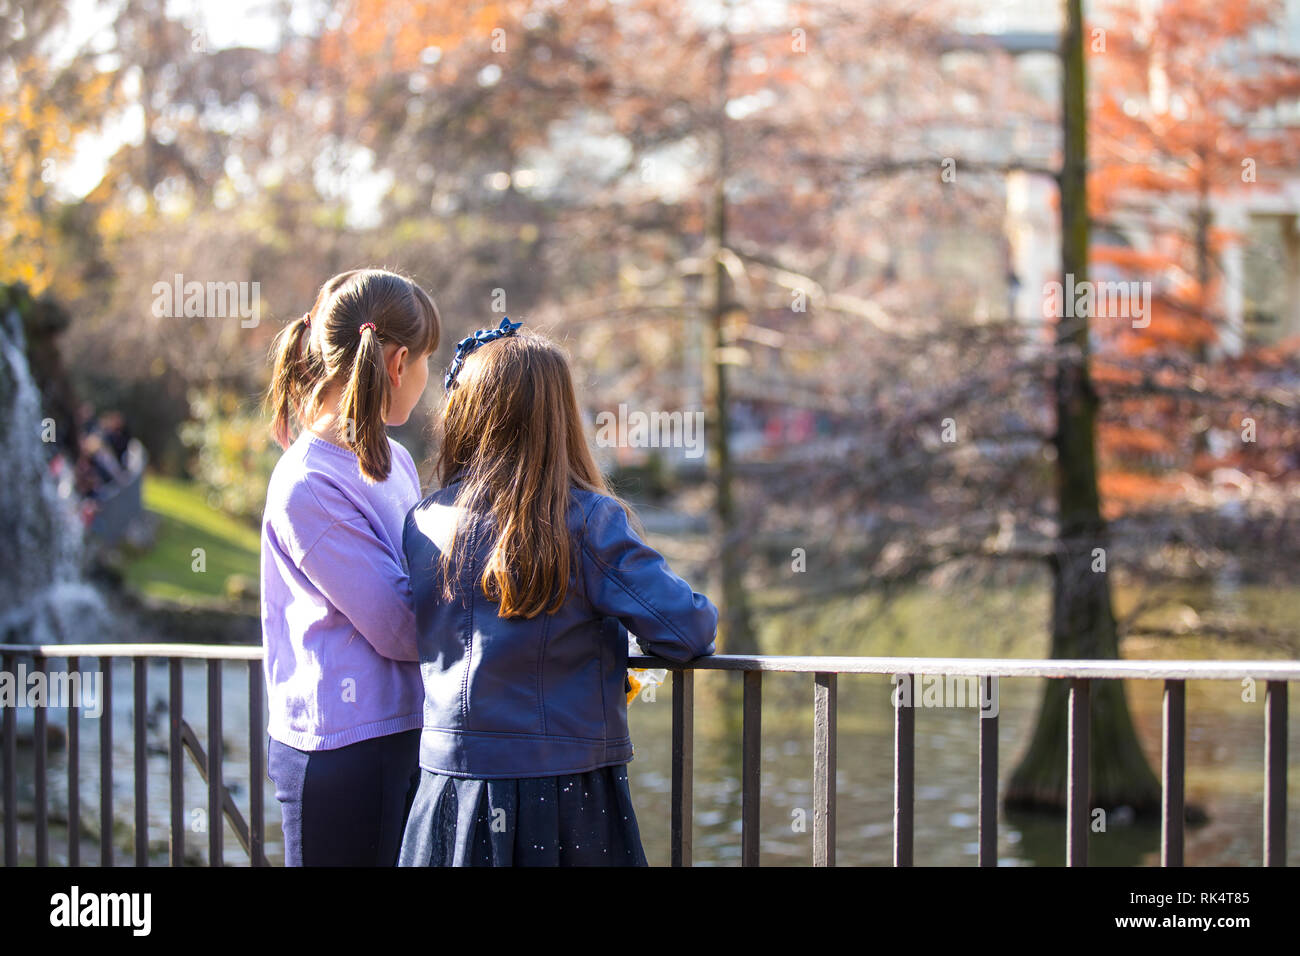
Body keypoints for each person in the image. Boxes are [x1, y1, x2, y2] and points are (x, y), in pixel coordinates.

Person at [399, 319, 717, 867]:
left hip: (447, 786)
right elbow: (687, 629)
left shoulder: (425, 520)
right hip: (561, 790)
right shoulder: (587, 520)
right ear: (559, 417)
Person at [260, 268, 441, 865]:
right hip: (340, 751)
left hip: (401, 732)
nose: (427, 381)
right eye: (425, 365)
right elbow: (399, 625)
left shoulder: (394, 459)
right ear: (398, 364)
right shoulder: (308, 483)